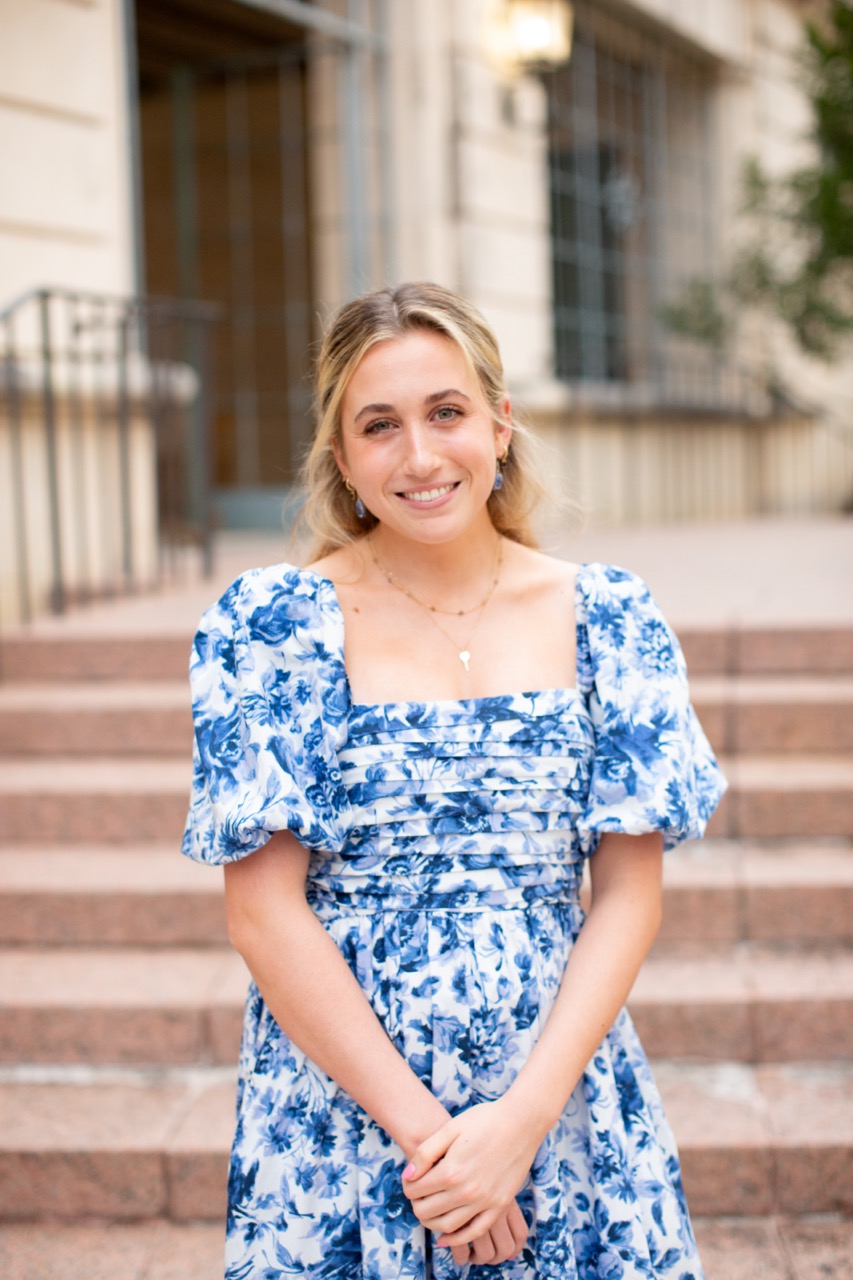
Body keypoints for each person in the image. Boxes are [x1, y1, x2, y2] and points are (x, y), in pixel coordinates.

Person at [183, 281, 726, 1279]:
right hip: (347, 1109)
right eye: (378, 426)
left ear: (500, 423)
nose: (420, 456)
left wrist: (517, 1124)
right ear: (340, 457)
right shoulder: (271, 626)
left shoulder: (609, 616)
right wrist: (436, 1148)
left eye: (446, 412)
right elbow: (262, 914)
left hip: (556, 1088)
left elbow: (628, 893)